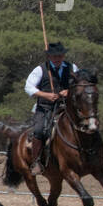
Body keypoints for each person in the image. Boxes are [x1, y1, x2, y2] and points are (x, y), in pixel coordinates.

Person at [24, 42, 79, 174]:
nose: (57, 58)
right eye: (54, 56)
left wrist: (69, 91)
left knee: (88, 123)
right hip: (46, 107)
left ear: (63, 55)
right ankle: (36, 162)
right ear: (49, 56)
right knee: (39, 130)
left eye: (59, 56)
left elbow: (80, 83)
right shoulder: (40, 69)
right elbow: (28, 87)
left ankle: (93, 157)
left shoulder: (73, 68)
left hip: (67, 106)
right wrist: (45, 95)